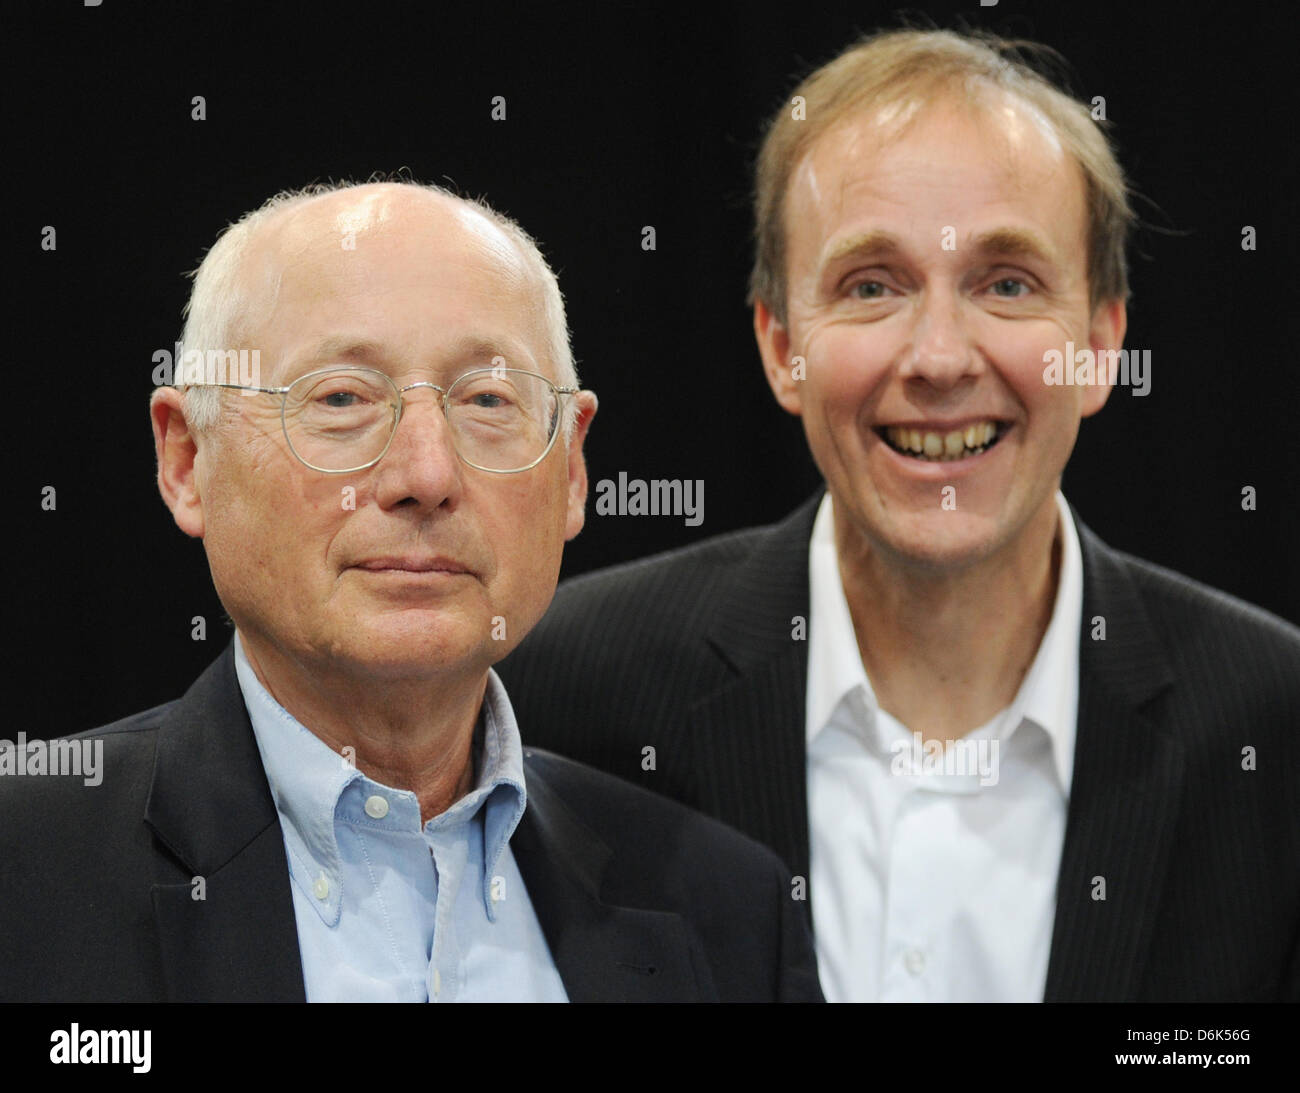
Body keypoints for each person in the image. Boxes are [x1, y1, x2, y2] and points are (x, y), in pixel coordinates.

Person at [499, 29, 1300, 1002]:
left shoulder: (1272, 730)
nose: (938, 357)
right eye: (871, 286)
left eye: (1006, 283)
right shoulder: (563, 696)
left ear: (1098, 345)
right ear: (780, 345)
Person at [0, 181, 822, 1003]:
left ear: (572, 471)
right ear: (186, 461)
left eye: (489, 399)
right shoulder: (27, 875)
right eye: (342, 399)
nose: (426, 475)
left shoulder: (728, 914)